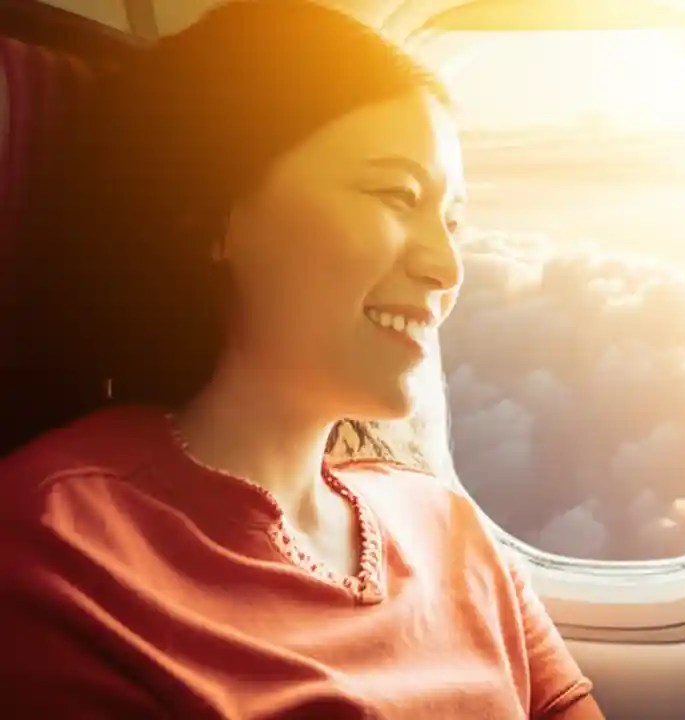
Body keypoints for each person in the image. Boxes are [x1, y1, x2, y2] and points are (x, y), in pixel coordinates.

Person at [0, 1, 603, 717]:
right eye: (395, 195)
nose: (446, 266)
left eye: (452, 221)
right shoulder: (61, 543)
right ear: (216, 214)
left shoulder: (452, 530)